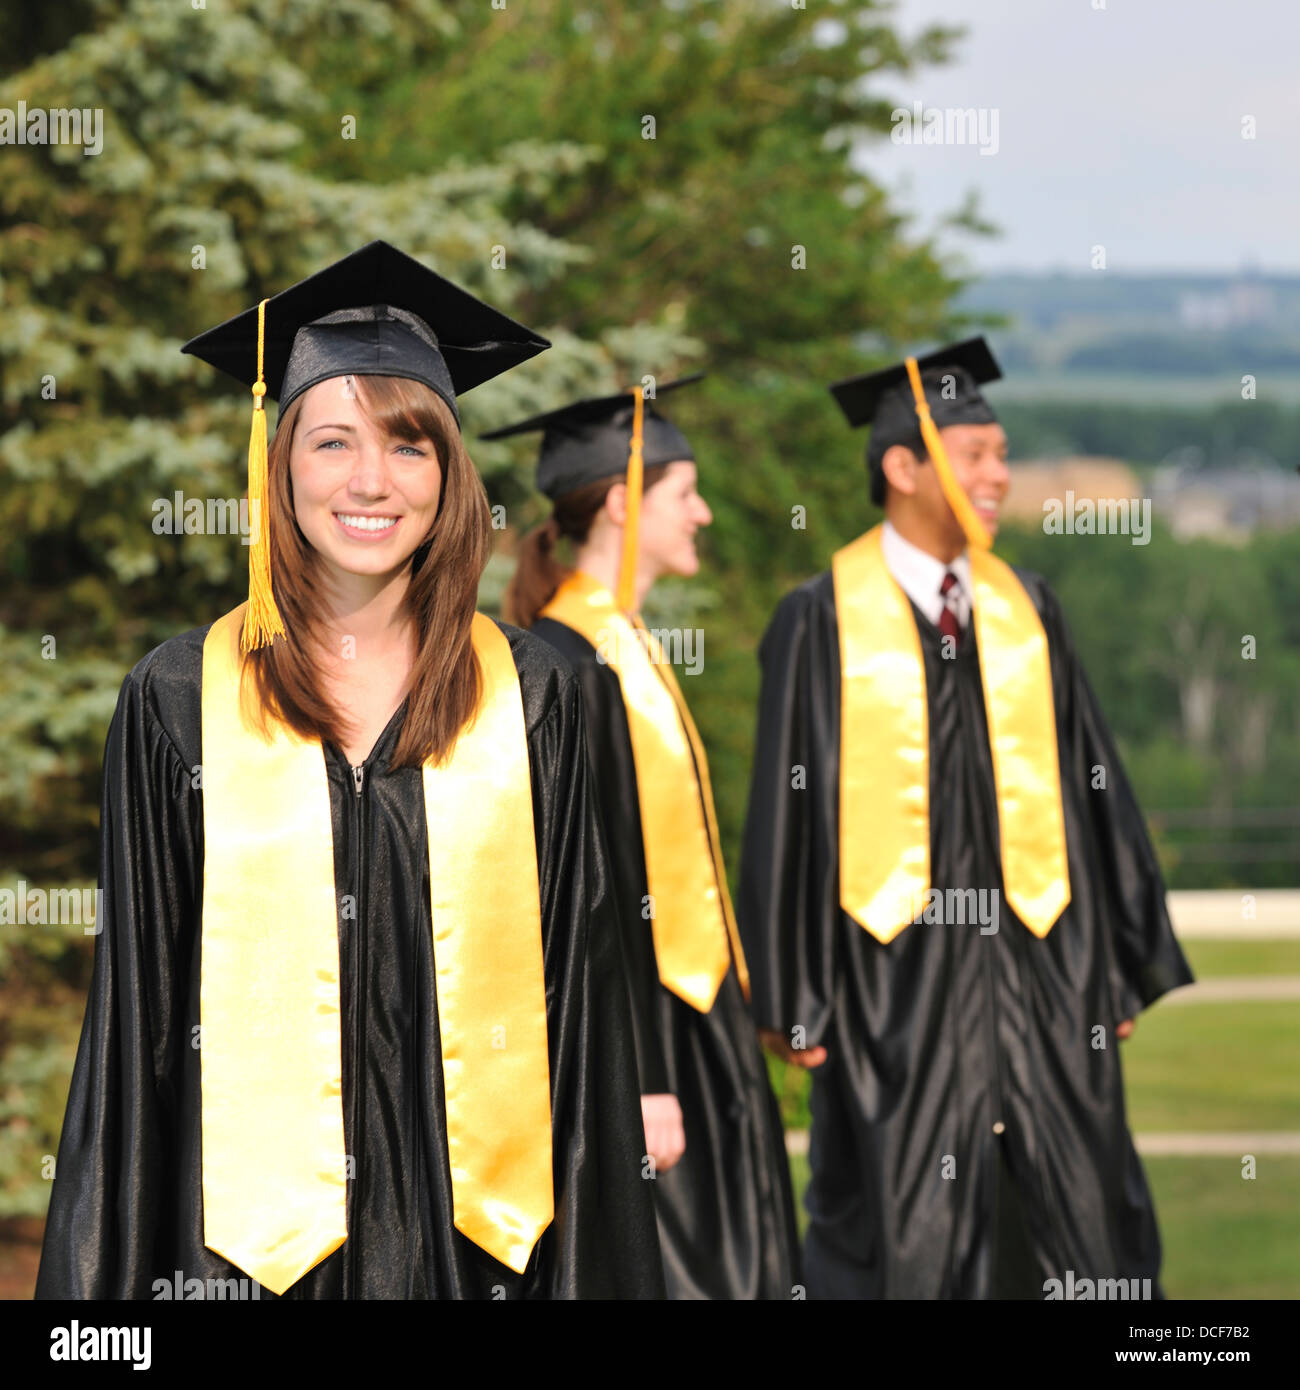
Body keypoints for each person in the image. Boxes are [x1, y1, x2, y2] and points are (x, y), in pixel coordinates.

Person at [35, 241, 664, 1300]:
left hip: (484, 1260)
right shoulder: (180, 701)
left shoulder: (536, 697)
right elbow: (137, 1027)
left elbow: (582, 1022)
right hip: (239, 1259)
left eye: (408, 446)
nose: (371, 481)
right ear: (277, 465)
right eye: (332, 442)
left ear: (449, 475)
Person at [738, 337, 1194, 1300]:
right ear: (903, 467)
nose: (1000, 475)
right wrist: (791, 993)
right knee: (904, 1240)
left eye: (1002, 453)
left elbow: (1090, 785)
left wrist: (1113, 957)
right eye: (976, 452)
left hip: (1044, 982)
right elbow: (787, 818)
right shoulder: (820, 620)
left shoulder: (1029, 610)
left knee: (1077, 1232)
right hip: (890, 993)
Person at [489, 376, 799, 1299]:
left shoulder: (624, 646)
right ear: (623, 503)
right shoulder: (567, 663)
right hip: (648, 1042)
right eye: (684, 494)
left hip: (696, 1025)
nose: (702, 512)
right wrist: (644, 1079)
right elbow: (598, 892)